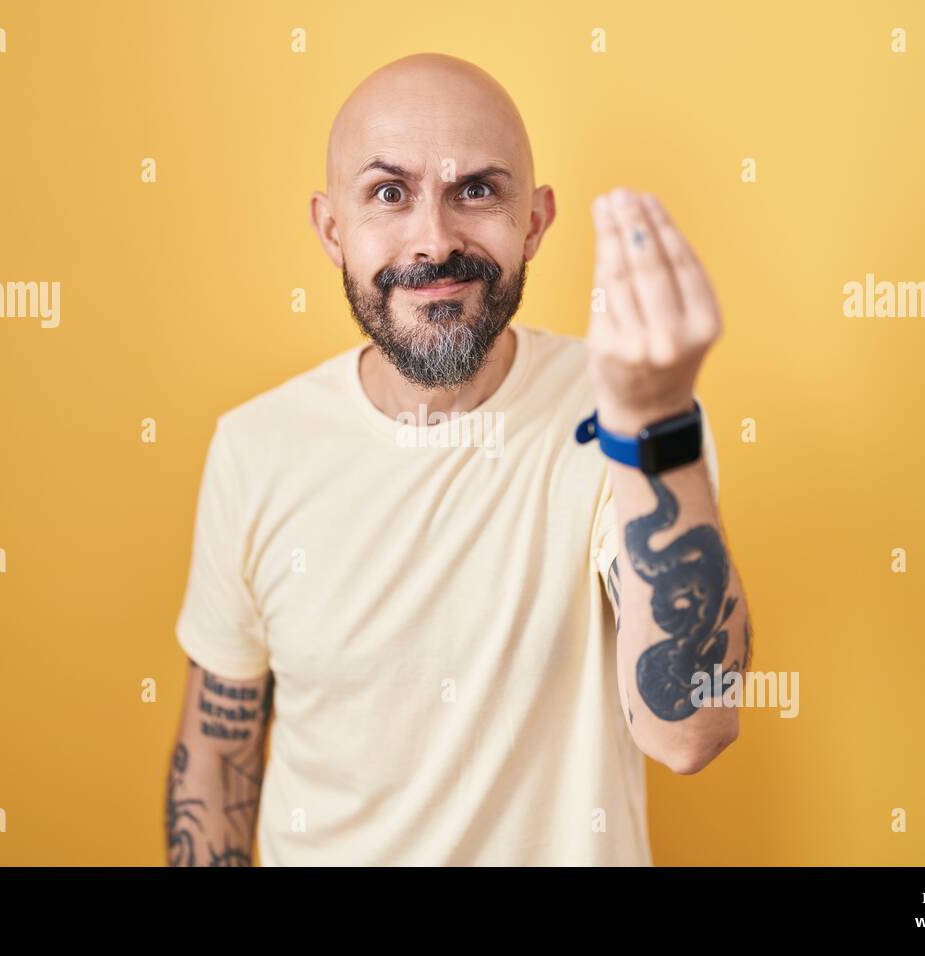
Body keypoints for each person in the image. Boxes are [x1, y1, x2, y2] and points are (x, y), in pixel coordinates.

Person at [165, 52, 752, 866]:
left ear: (536, 222)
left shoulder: (629, 413)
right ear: (332, 228)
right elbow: (219, 758)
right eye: (388, 193)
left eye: (476, 190)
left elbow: (690, 728)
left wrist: (655, 423)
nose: (434, 241)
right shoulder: (255, 447)